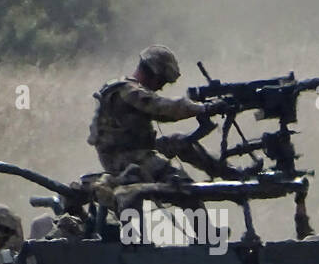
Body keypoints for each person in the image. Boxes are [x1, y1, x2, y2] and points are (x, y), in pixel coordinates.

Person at [87, 44, 224, 184]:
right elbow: (162, 108)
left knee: (179, 141)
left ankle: (227, 171)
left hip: (131, 151)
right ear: (153, 74)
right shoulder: (128, 90)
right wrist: (203, 108)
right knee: (182, 184)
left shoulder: (125, 88)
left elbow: (163, 114)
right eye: (162, 81)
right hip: (125, 158)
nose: (161, 87)